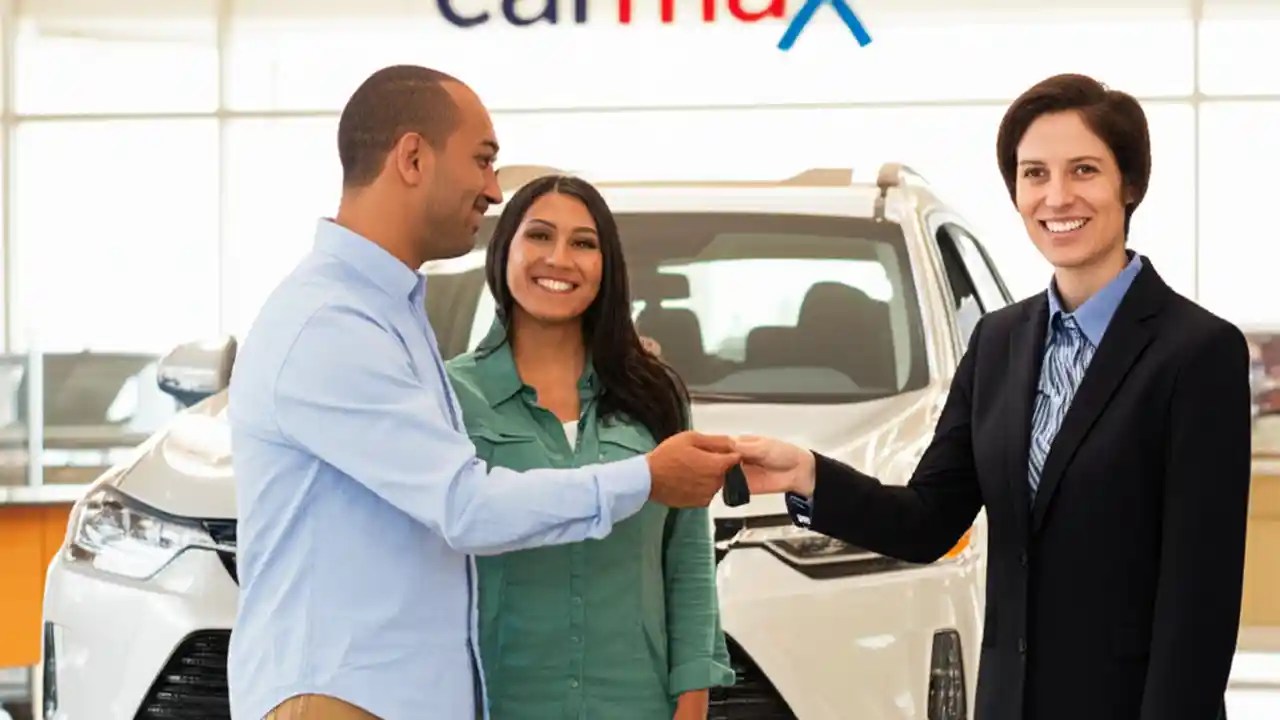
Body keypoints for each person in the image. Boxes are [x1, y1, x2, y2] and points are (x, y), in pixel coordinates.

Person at [225, 65, 739, 720]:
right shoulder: (332, 325)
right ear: (413, 157)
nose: (493, 191)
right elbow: (465, 504)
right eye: (483, 160)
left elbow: (685, 578)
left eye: (584, 243)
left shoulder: (389, 313)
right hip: (344, 698)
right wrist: (644, 477)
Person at [732, 73, 1251, 720]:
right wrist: (809, 474)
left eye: (1083, 170)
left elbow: (1198, 596)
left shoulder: (1197, 352)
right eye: (1034, 174)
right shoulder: (1000, 341)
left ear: (1131, 184)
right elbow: (927, 519)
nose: (1056, 196)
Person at [444, 175, 735, 720]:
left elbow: (688, 561)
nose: (559, 259)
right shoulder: (450, 395)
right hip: (494, 704)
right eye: (539, 236)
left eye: (583, 243)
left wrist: (692, 701)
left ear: (607, 267)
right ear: (503, 251)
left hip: (636, 702)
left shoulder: (655, 393)